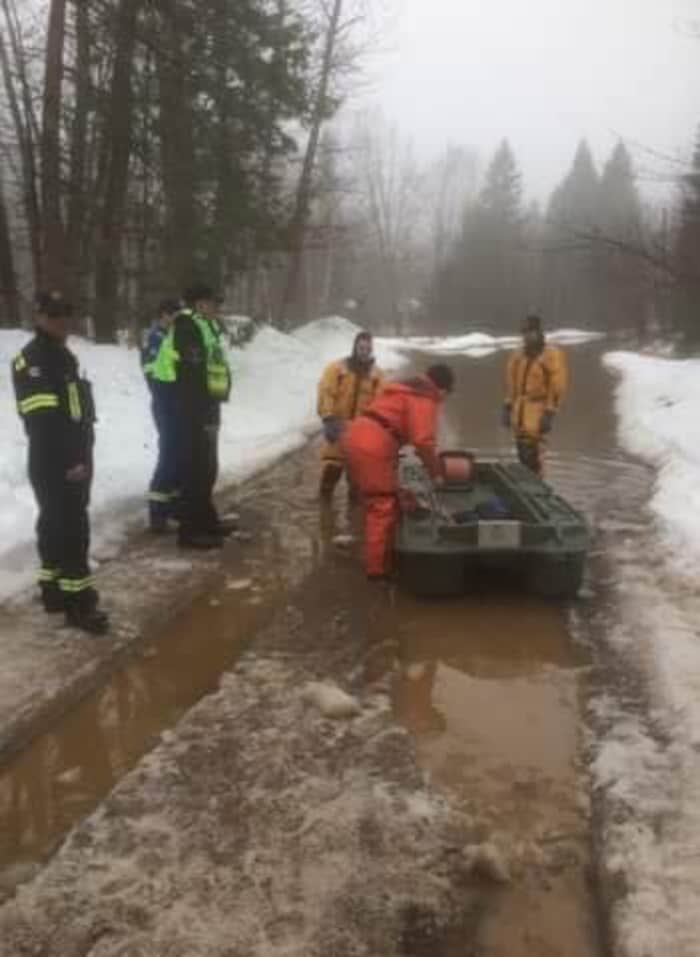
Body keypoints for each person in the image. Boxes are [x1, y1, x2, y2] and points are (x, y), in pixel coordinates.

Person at [11, 291, 109, 634]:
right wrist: (71, 461)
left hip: (68, 455)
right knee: (71, 530)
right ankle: (78, 603)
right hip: (58, 458)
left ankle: (53, 591)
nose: (61, 321)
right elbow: (44, 422)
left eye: (65, 314)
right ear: (38, 317)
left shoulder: (59, 354)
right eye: (53, 315)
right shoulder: (35, 359)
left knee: (55, 524)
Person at [343, 364, 455, 581]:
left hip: (356, 436)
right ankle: (377, 570)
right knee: (382, 504)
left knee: (377, 498)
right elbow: (423, 441)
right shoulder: (425, 398)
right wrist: (436, 473)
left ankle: (372, 548)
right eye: (446, 395)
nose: (443, 400)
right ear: (442, 389)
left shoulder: (406, 388)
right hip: (373, 445)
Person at [150, 283, 232, 549]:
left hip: (204, 407)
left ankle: (206, 521)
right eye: (214, 302)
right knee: (195, 469)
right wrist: (203, 414)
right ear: (200, 304)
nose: (218, 307)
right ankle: (190, 531)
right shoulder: (187, 327)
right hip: (187, 409)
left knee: (207, 468)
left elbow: (211, 369)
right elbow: (191, 377)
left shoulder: (205, 326)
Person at [317, 331, 384, 500]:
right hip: (338, 427)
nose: (364, 352)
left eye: (368, 349)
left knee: (357, 477)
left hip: (361, 431)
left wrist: (378, 428)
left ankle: (353, 510)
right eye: (361, 348)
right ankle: (324, 505)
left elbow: (381, 403)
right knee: (332, 467)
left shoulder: (377, 375)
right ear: (355, 347)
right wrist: (328, 417)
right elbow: (326, 392)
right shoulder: (337, 368)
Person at [502, 315, 568, 477]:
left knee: (535, 456)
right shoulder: (517, 355)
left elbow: (557, 385)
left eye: (530, 332)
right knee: (522, 453)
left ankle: (537, 484)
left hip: (538, 410)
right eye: (524, 332)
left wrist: (550, 412)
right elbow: (511, 383)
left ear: (538, 332)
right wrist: (507, 407)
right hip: (519, 411)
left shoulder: (551, 355)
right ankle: (527, 482)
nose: (526, 336)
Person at [141, 298, 182, 532]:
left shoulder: (169, 337)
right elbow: (153, 374)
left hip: (174, 404)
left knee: (176, 454)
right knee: (168, 454)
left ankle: (173, 507)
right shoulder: (156, 339)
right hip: (165, 403)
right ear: (163, 315)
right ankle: (157, 512)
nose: (176, 318)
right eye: (173, 314)